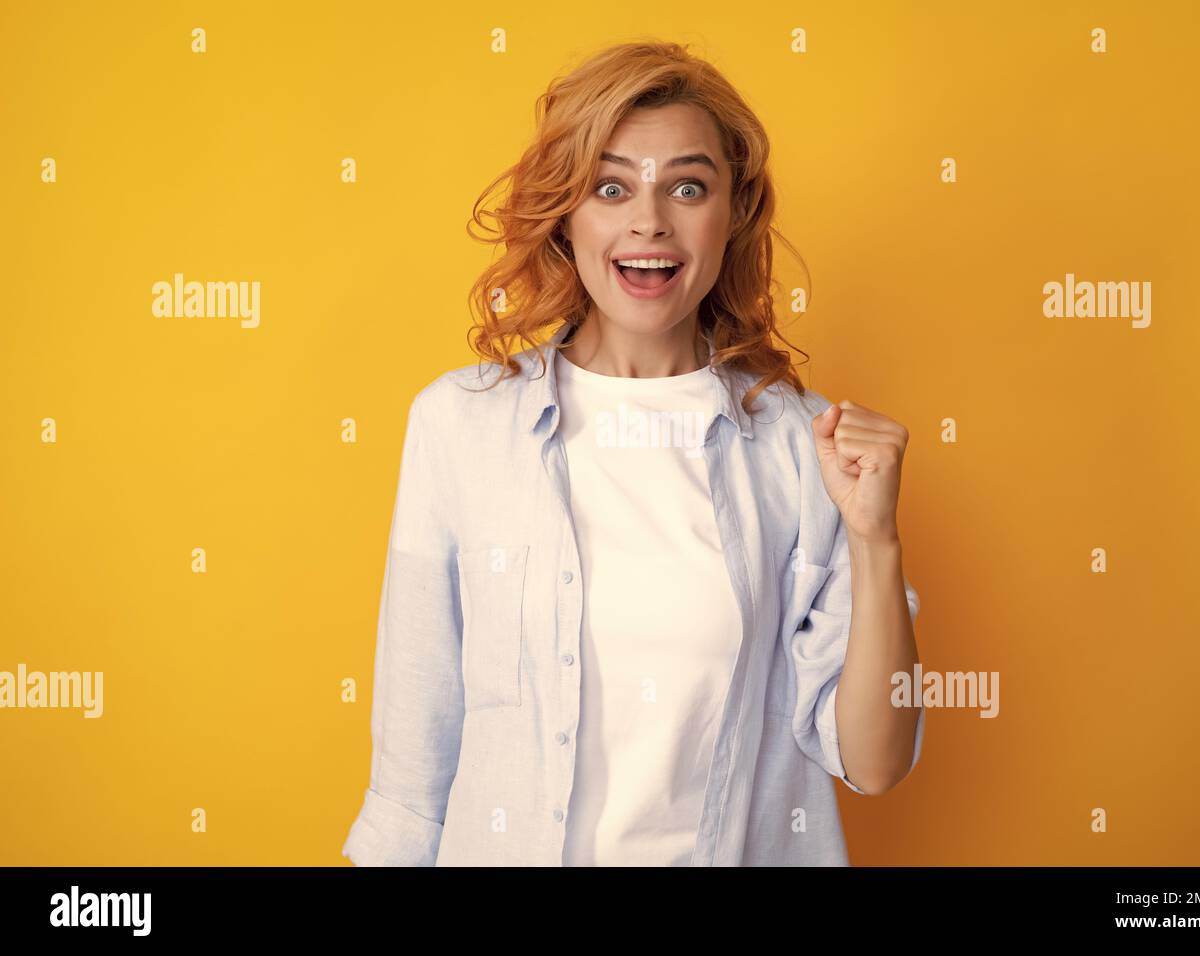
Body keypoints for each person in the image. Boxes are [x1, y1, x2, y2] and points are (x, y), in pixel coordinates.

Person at [343, 40, 924, 867]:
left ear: (733, 215)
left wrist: (875, 541)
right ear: (566, 215)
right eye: (611, 187)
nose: (649, 221)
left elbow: (874, 762)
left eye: (688, 187)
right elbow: (410, 775)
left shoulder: (807, 449)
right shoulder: (459, 428)